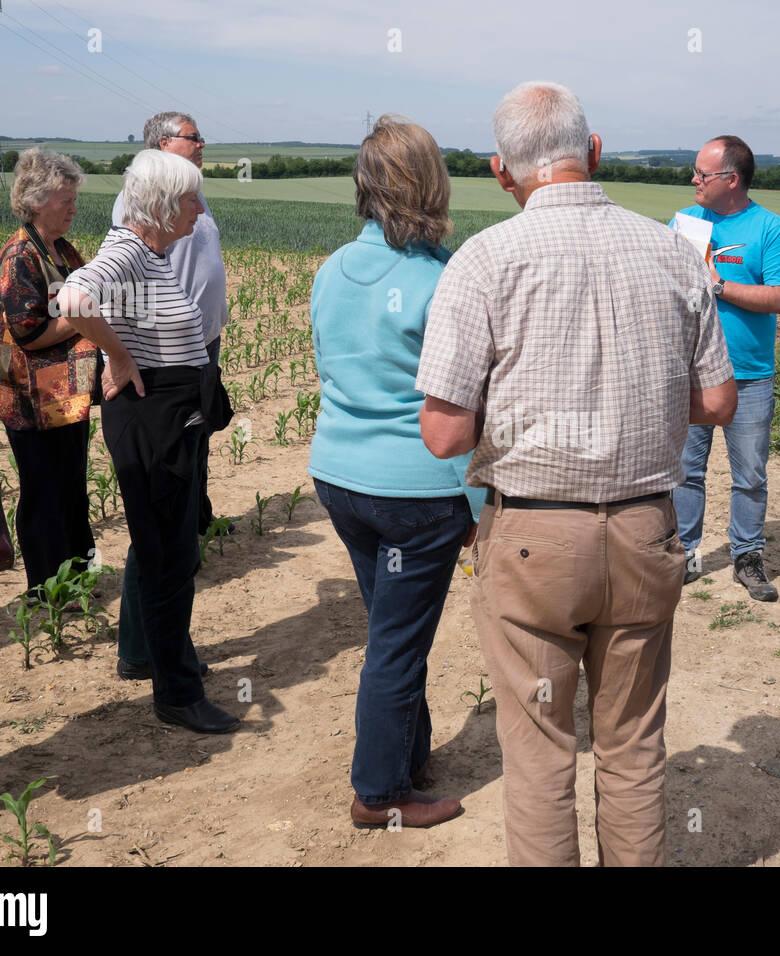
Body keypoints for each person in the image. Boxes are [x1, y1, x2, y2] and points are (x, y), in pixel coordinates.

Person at [417, 81, 736, 866]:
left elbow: (444, 434)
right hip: (644, 528)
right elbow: (719, 401)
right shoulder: (672, 251)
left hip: (531, 536)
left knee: (538, 754)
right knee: (632, 746)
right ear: (594, 154)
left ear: (501, 171)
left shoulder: (482, 260)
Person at [308, 115, 484, 829]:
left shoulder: (329, 269)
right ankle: (379, 794)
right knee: (397, 644)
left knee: (389, 624)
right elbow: (467, 403)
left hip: (340, 477)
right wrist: (476, 503)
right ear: (430, 184)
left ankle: (408, 756)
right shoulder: (444, 277)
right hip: (418, 491)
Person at [57, 148, 237, 734]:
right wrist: (116, 352)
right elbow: (74, 298)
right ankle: (176, 695)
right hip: (152, 423)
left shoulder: (152, 254)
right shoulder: (128, 250)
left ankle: (171, 666)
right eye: (191, 200)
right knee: (166, 556)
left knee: (175, 552)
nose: (198, 210)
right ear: (161, 205)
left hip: (168, 417)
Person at [109, 112, 228, 682]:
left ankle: (161, 650)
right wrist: (119, 352)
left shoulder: (182, 198)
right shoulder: (144, 221)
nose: (202, 144)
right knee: (161, 530)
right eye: (192, 137)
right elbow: (82, 298)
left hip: (189, 368)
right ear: (162, 146)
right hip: (158, 386)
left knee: (180, 522)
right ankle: (147, 654)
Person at [671, 135, 780, 602]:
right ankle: (684, 553)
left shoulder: (770, 228)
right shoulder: (685, 223)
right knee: (686, 470)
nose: (694, 181)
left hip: (750, 374)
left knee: (751, 475)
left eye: (702, 174)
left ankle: (748, 555)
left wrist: (718, 286)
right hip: (694, 371)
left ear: (732, 180)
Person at [0, 148, 98, 594]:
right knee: (44, 493)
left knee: (70, 486)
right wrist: (83, 314)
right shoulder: (20, 257)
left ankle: (78, 578)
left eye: (74, 198)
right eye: (65, 199)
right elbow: (28, 333)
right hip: (31, 399)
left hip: (64, 397)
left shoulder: (59, 248)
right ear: (36, 201)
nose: (74, 207)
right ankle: (47, 589)